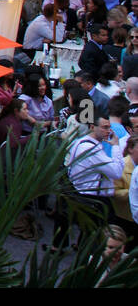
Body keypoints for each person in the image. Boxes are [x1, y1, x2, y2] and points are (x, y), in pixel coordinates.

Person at [53, 103, 125, 249]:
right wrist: (116, 146)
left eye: (109, 127)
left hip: (80, 193)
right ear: (92, 127)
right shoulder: (90, 148)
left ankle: (74, 247)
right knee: (101, 232)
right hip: (91, 197)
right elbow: (116, 172)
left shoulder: (82, 142)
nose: (108, 131)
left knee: (89, 231)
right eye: (104, 127)